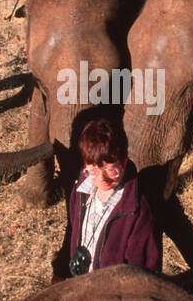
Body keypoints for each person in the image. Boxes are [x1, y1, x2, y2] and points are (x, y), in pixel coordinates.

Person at [53, 117, 161, 280]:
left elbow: (144, 274)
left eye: (111, 170)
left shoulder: (138, 210)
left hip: (114, 296)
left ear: (124, 162)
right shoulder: (80, 192)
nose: (101, 179)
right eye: (92, 170)